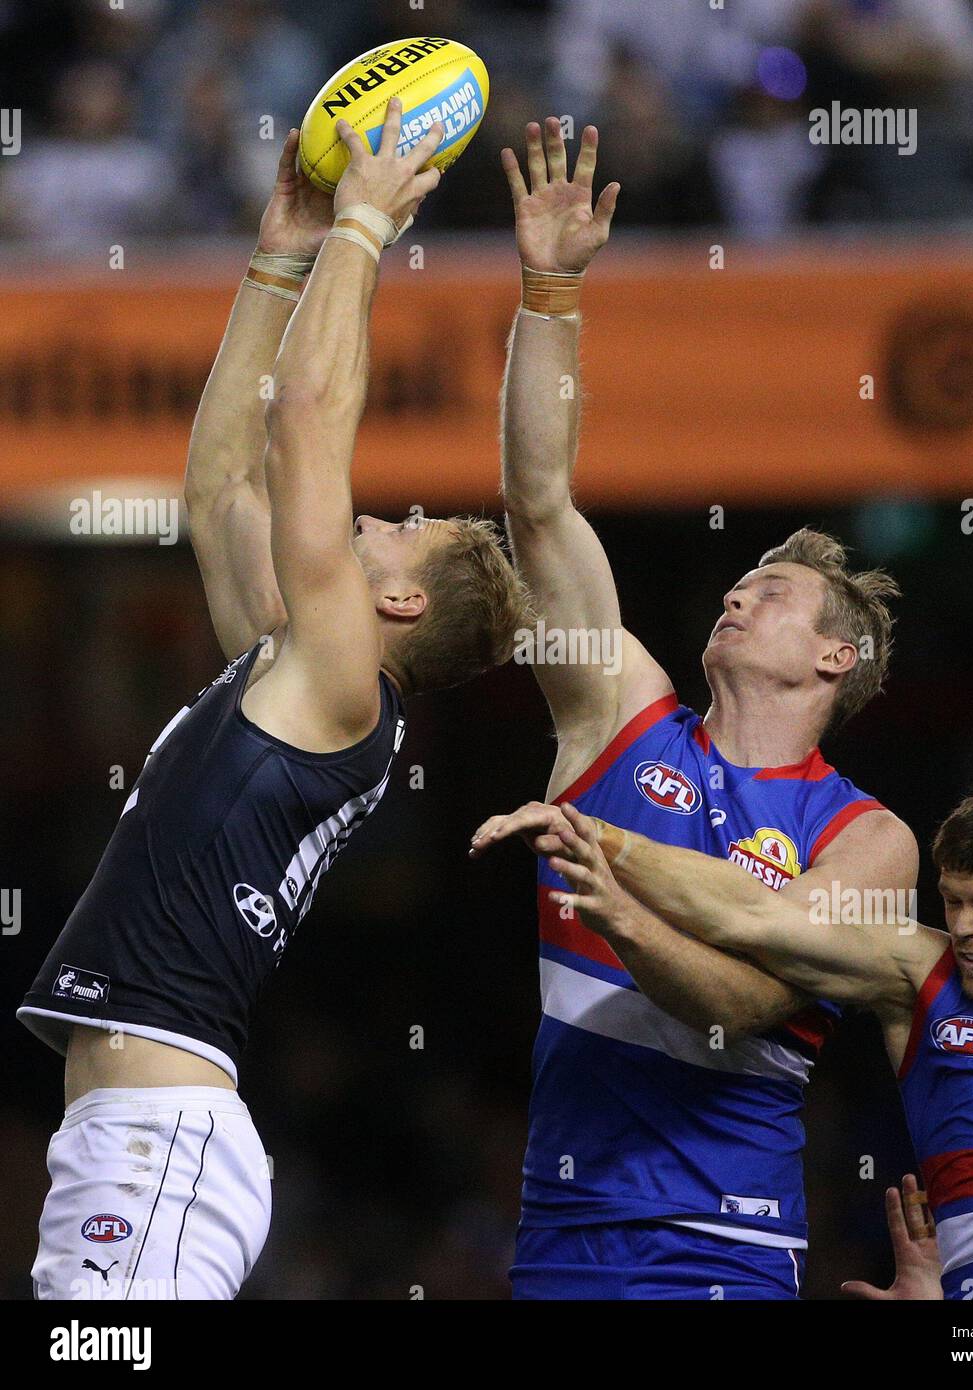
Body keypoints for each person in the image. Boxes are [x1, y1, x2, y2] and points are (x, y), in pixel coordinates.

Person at [18, 107, 531, 1300]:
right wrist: (280, 255)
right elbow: (219, 483)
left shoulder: (343, 681)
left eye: (405, 532)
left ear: (401, 608)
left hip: (160, 1142)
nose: (376, 518)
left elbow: (306, 421)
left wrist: (363, 226)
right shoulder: (294, 671)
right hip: (137, 1139)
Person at [476, 115, 918, 1299]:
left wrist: (613, 890)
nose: (735, 591)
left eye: (769, 592)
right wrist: (550, 288)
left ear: (835, 658)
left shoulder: (866, 839)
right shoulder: (618, 714)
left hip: (719, 1246)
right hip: (558, 1232)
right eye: (736, 579)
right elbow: (535, 502)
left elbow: (743, 1008)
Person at [478, 777, 973, 1299]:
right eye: (952, 900)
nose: (962, 926)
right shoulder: (919, 975)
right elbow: (755, 912)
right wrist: (596, 836)